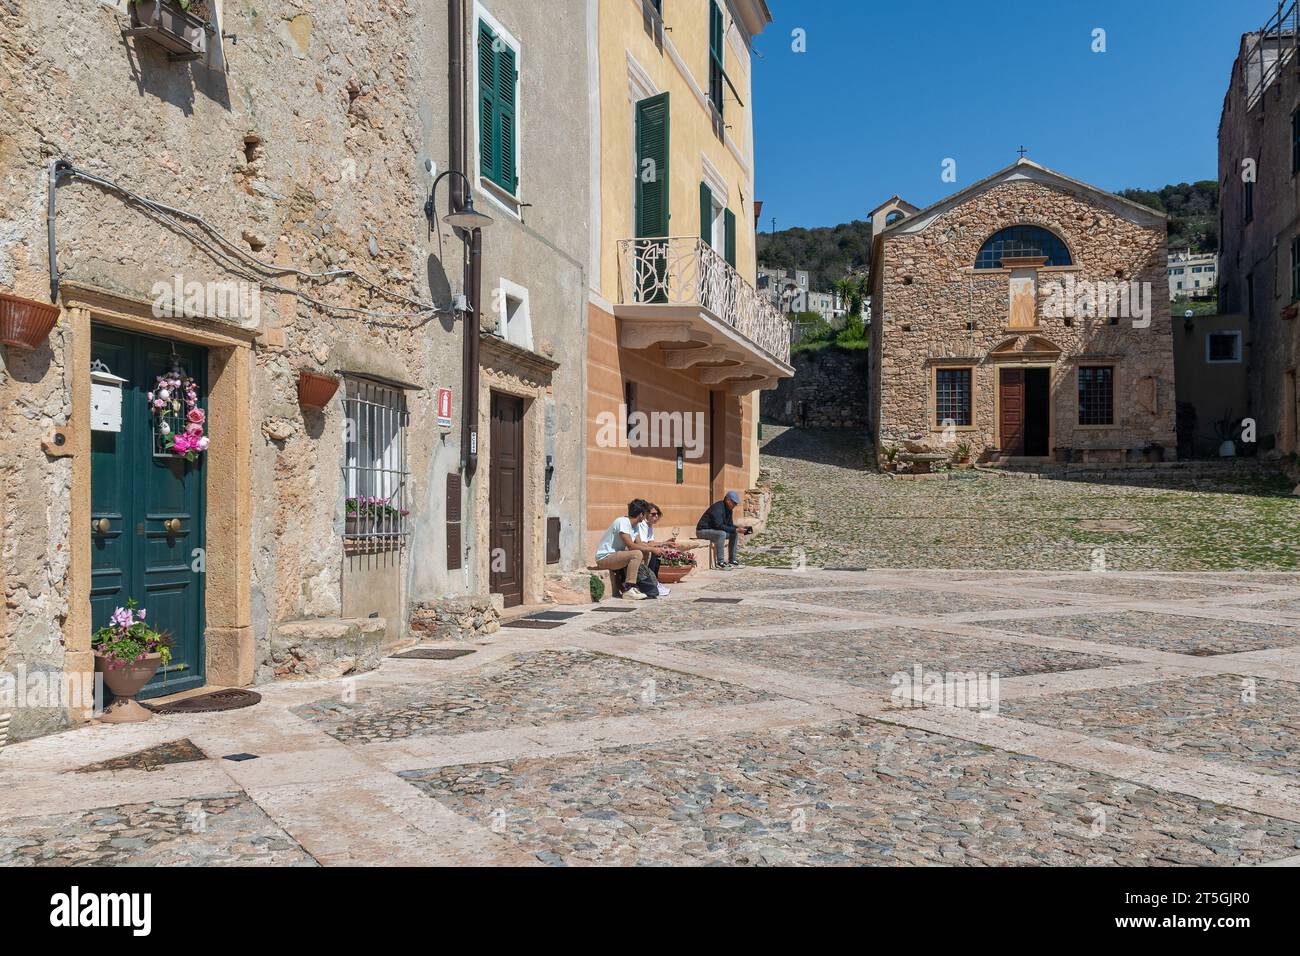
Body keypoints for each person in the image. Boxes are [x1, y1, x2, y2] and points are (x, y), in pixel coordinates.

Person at [593, 500, 652, 600]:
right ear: (641, 514)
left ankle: (639, 582)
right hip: (605, 558)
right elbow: (631, 546)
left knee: (645, 552)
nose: (646, 517)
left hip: (616, 556)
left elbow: (640, 544)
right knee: (636, 554)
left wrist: (653, 548)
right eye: (646, 514)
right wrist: (653, 549)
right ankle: (629, 588)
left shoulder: (635, 525)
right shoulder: (622, 522)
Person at [696, 491, 751, 569]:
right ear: (728, 500)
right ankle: (720, 562)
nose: (735, 505)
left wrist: (739, 529)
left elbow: (729, 525)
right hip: (702, 531)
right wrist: (736, 529)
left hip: (714, 531)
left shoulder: (729, 510)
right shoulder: (717, 508)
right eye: (734, 503)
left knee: (733, 533)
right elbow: (718, 525)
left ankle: (732, 560)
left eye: (736, 503)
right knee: (722, 534)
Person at [636, 503, 677, 597]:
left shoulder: (649, 526)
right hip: (638, 549)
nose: (656, 516)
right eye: (653, 514)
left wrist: (665, 543)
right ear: (646, 514)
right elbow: (645, 544)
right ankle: (653, 582)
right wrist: (664, 544)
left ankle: (655, 581)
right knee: (654, 552)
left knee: (657, 552)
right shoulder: (642, 525)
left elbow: (651, 542)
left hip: (643, 547)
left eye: (657, 514)